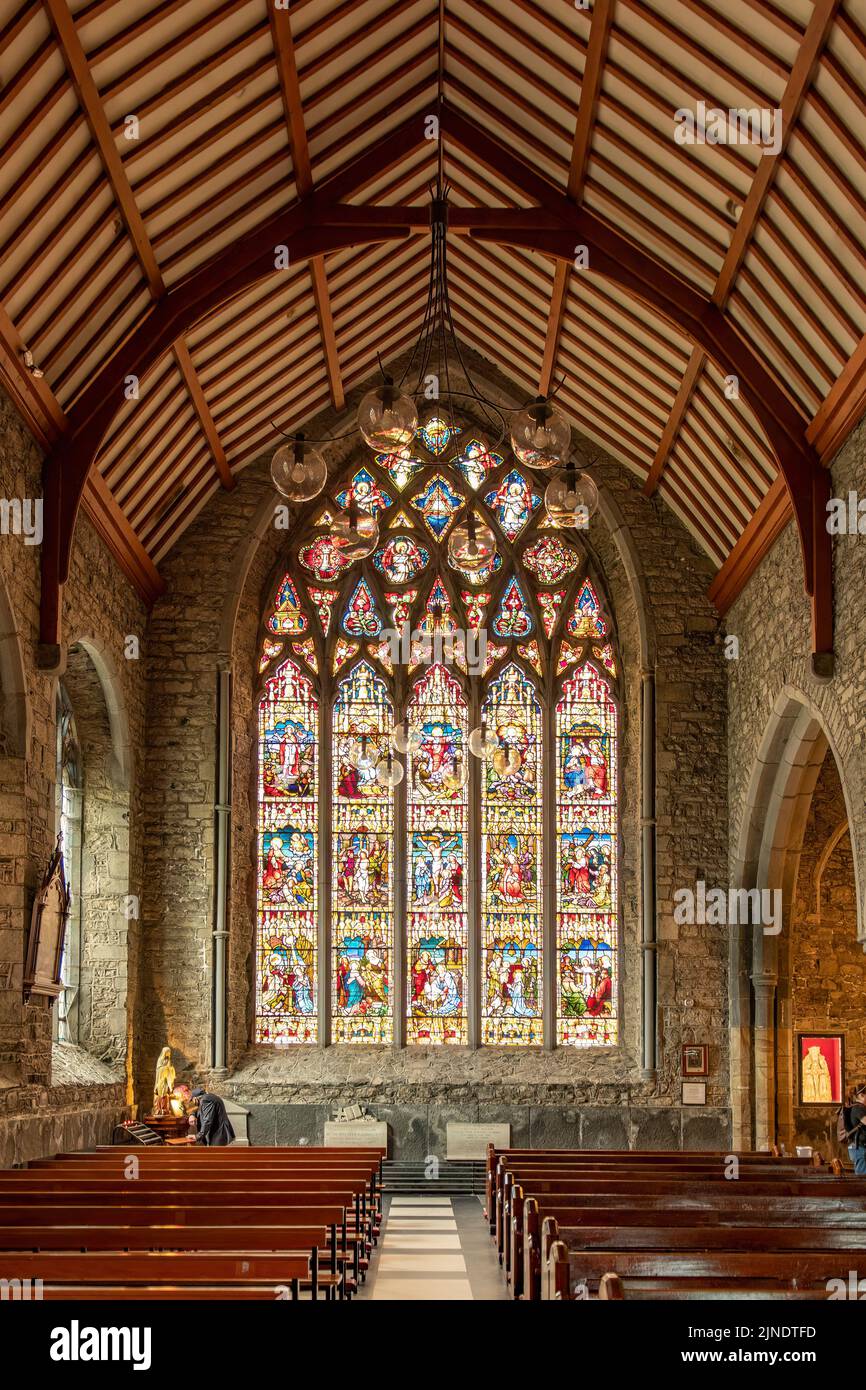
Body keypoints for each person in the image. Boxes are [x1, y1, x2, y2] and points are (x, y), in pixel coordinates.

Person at [847, 1083, 866, 1175]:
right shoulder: (858, 1108)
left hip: (861, 1148)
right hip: (860, 1149)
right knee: (862, 1180)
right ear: (862, 1095)